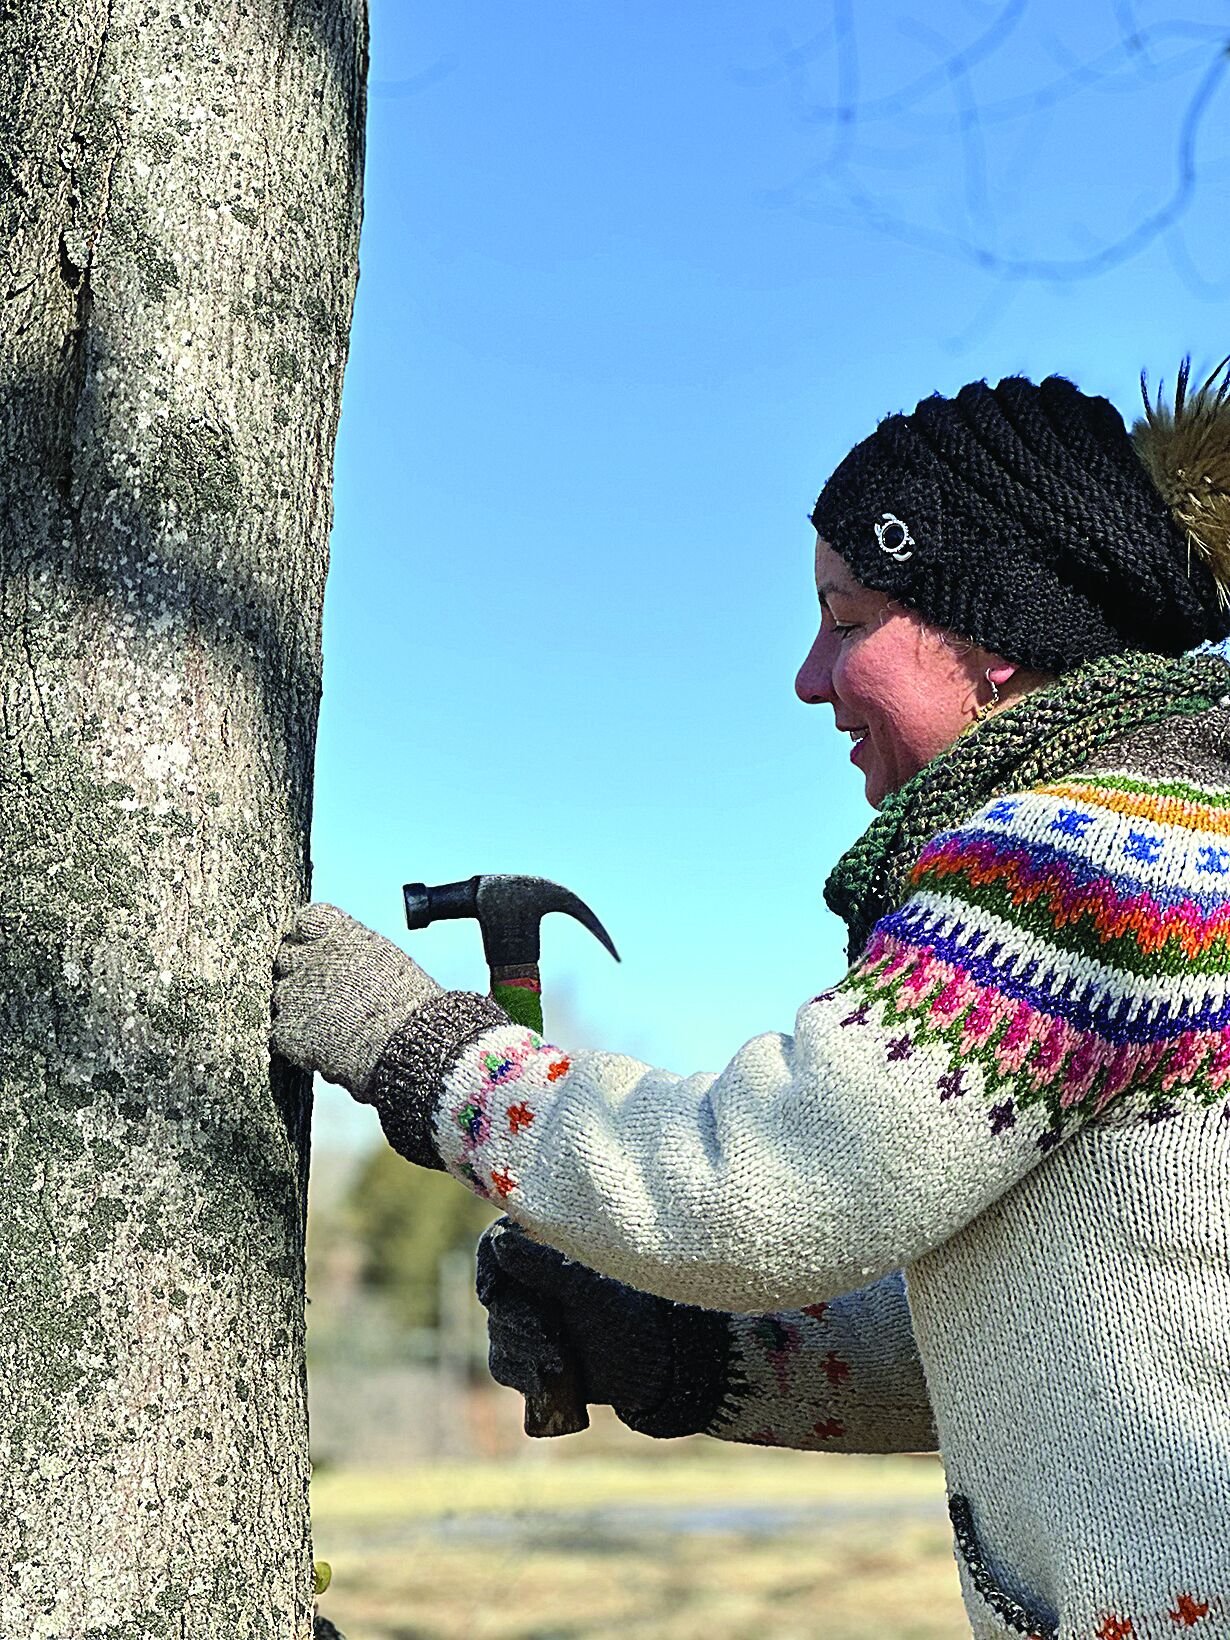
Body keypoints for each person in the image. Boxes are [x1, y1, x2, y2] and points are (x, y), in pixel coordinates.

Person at [273, 364, 1230, 1640]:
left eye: (847, 619)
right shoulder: (1179, 838)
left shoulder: (1076, 863)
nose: (808, 676)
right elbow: (1065, 1340)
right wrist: (691, 1355)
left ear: (992, 631)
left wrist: (423, 1051)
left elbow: (769, 1182)